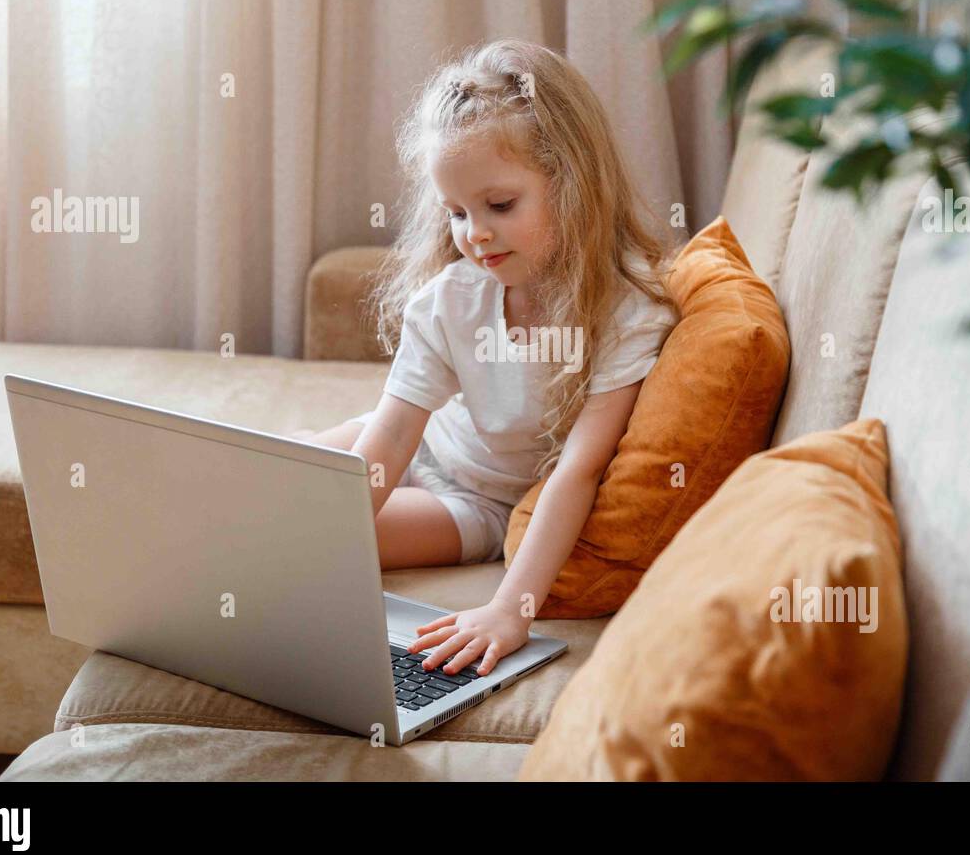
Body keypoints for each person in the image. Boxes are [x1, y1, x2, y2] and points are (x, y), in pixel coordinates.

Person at [291, 39, 679, 678]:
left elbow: (577, 472)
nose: (474, 233)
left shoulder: (628, 312)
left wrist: (510, 609)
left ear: (575, 183)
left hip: (479, 502)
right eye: (457, 213)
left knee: (318, 540)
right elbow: (390, 435)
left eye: (500, 206)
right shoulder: (453, 299)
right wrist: (310, 513)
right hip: (420, 449)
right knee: (275, 496)